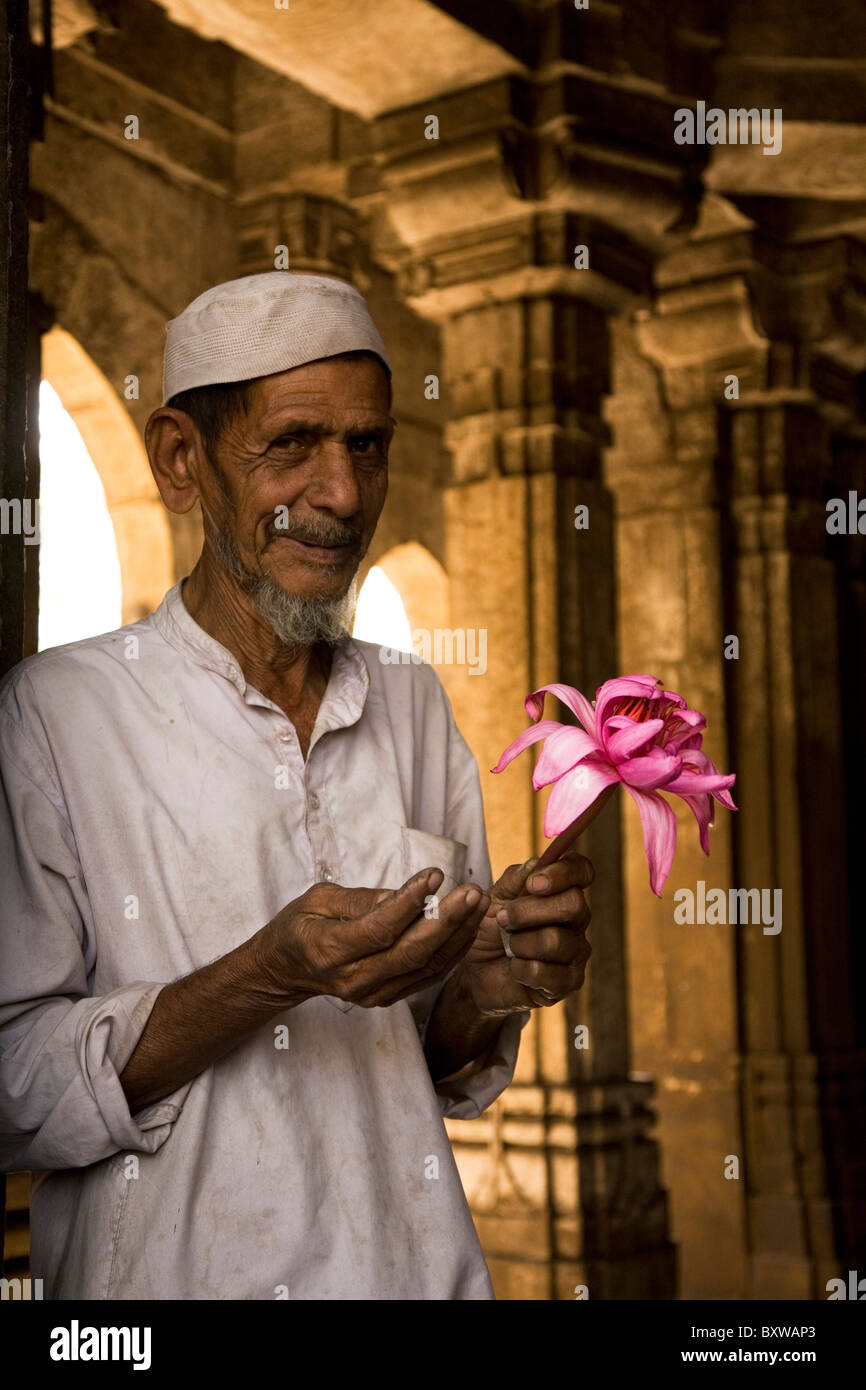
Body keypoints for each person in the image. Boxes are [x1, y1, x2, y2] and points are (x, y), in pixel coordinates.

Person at [0, 272, 593, 1299]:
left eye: (367, 446)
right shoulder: (57, 714)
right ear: (181, 462)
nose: (343, 494)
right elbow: (13, 1090)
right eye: (293, 445)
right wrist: (269, 971)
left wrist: (493, 987)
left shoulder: (410, 702)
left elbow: (420, 1049)